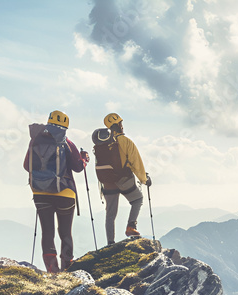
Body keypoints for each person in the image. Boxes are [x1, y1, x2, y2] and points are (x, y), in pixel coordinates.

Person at [23, 110, 89, 272]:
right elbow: (78, 167)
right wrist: (84, 159)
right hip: (64, 192)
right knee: (65, 232)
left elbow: (26, 166)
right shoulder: (66, 142)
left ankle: (52, 270)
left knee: (47, 231)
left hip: (39, 192)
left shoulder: (35, 141)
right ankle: (67, 267)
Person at [101, 112, 150, 243]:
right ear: (119, 125)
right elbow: (136, 163)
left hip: (108, 183)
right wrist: (144, 179)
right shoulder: (126, 141)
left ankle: (110, 243)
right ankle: (131, 227)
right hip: (124, 180)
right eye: (121, 123)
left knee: (110, 214)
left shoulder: (103, 144)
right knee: (137, 200)